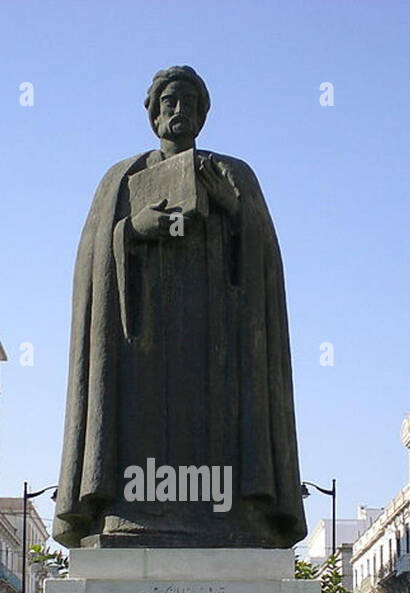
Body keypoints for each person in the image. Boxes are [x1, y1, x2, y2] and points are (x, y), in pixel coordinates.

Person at [53, 65, 306, 549]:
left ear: (202, 114)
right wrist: (133, 229)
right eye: (169, 102)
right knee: (141, 423)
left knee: (219, 426)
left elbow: (265, 258)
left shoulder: (232, 172)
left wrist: (231, 208)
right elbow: (91, 265)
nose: (179, 111)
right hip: (140, 343)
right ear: (153, 112)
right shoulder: (121, 178)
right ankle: (133, 510)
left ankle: (233, 514)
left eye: (189, 103)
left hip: (219, 341)